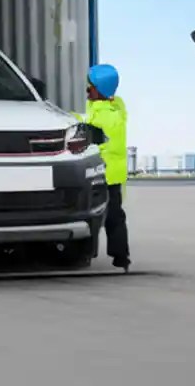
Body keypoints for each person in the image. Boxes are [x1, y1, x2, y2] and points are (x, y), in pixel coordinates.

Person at [79, 63, 130, 271]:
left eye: (89, 87)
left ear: (98, 90)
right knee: (115, 216)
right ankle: (121, 256)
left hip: (103, 175)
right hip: (113, 175)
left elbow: (85, 124)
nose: (86, 91)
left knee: (97, 216)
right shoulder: (115, 108)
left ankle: (88, 254)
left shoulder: (105, 116)